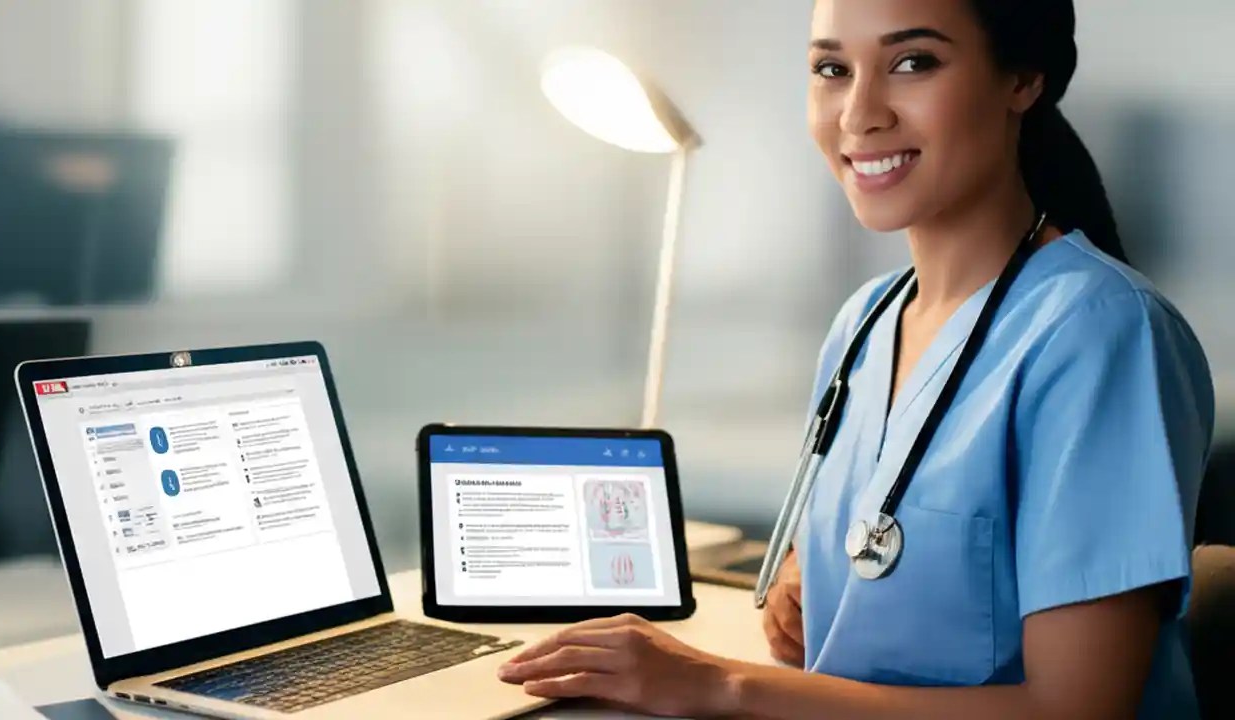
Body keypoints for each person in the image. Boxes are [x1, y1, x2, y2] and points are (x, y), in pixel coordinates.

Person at [496, 0, 1215, 717]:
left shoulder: (1099, 334)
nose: (859, 113)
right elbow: (895, 538)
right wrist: (807, 576)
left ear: (1023, 80)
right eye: (832, 70)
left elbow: (1075, 709)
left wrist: (718, 684)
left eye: (913, 63)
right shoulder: (865, 321)